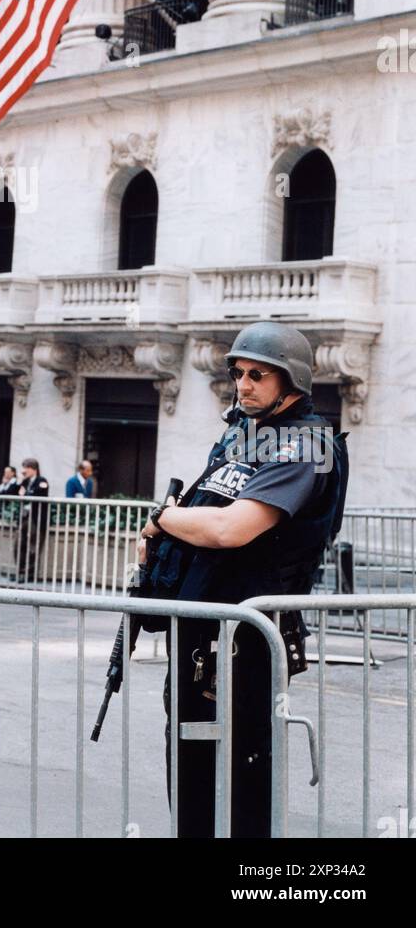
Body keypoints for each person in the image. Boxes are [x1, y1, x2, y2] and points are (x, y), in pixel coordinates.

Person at [138, 321, 348, 839]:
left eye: (260, 375)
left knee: (241, 785)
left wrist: (164, 518)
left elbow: (233, 528)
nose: (245, 384)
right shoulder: (240, 434)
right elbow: (205, 513)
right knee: (191, 782)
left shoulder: (306, 446)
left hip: (246, 642)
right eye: (239, 373)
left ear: (291, 382)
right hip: (200, 631)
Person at [16, 458, 50, 583]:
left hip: (36, 518)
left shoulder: (42, 481)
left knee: (33, 547)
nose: (24, 471)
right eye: (23, 467)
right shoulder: (24, 482)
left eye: (27, 468)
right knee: (19, 545)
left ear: (34, 469)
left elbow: (39, 495)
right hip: (24, 517)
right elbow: (12, 493)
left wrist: (24, 495)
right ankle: (20, 571)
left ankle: (29, 574)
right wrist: (19, 482)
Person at [0, 464, 20, 553]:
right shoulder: (4, 483)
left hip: (10, 510)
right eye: (5, 472)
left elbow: (9, 494)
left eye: (8, 472)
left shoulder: (15, 483)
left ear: (13, 473)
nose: (5, 474)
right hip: (2, 509)